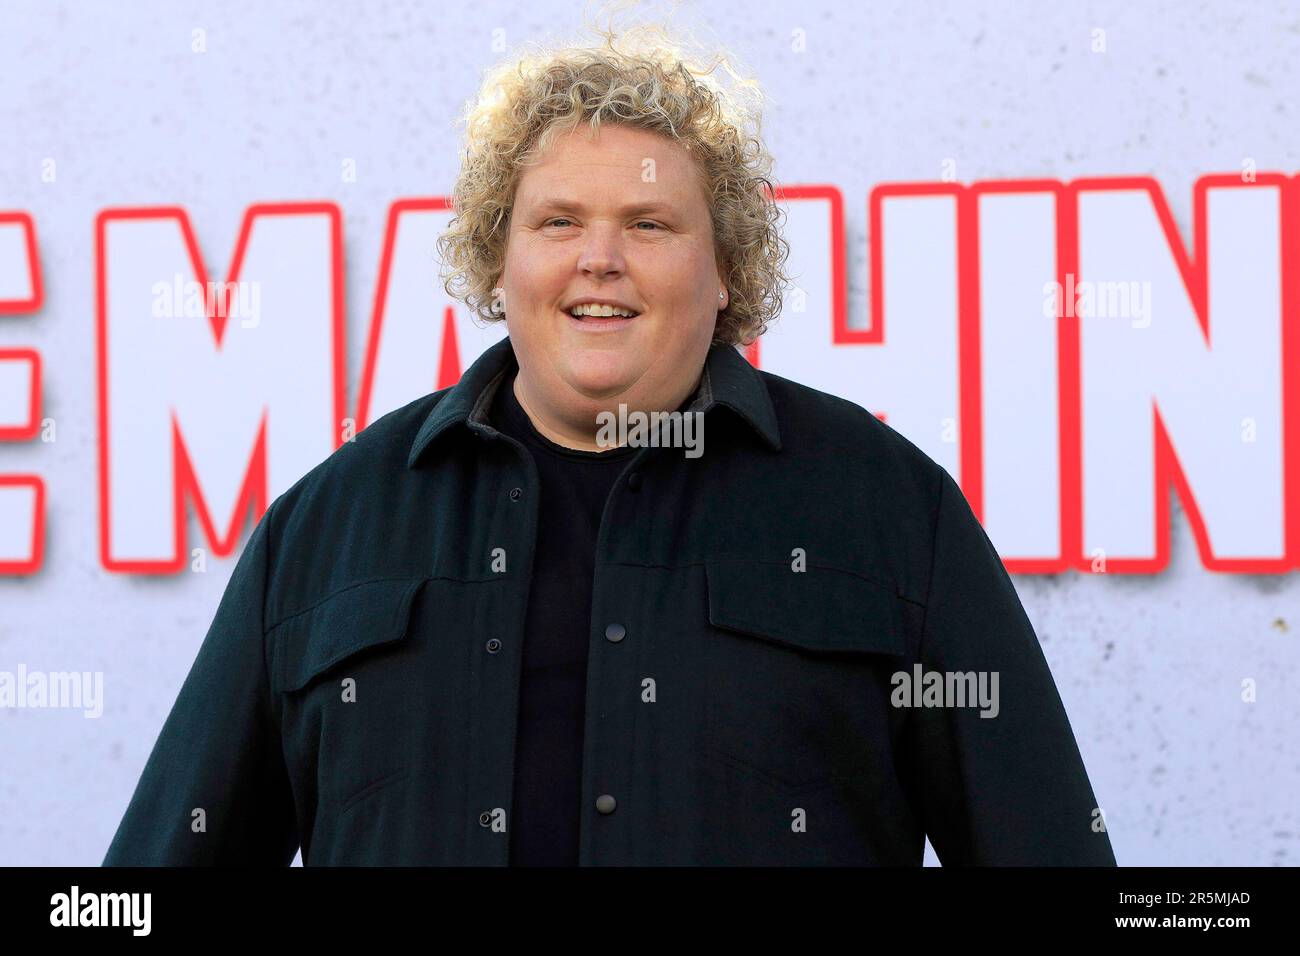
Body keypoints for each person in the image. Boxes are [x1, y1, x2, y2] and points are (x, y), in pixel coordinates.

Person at [103, 22, 1116, 866]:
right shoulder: (328, 528)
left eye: (649, 224)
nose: (599, 259)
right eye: (556, 222)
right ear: (498, 261)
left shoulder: (888, 511)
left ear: (725, 269)